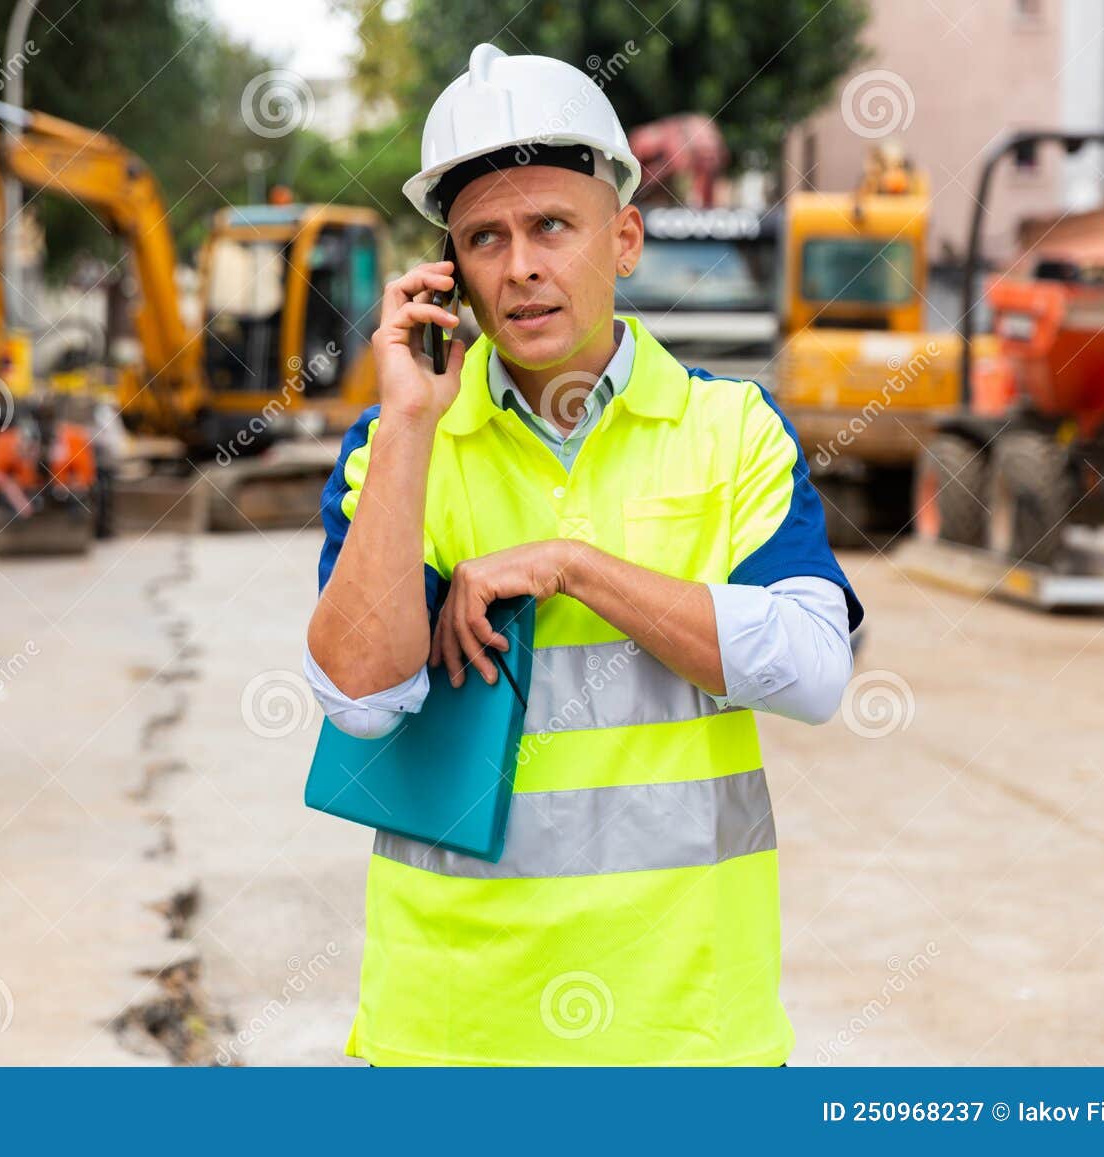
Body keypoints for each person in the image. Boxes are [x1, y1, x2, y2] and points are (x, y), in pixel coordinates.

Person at [304, 43, 862, 1066]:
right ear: (450, 276)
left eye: (551, 226)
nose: (520, 265)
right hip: (447, 1034)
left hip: (691, 1033)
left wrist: (573, 565)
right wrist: (411, 423)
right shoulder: (396, 452)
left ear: (625, 237)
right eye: (484, 238)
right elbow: (359, 698)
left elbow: (815, 672)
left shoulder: (732, 429)